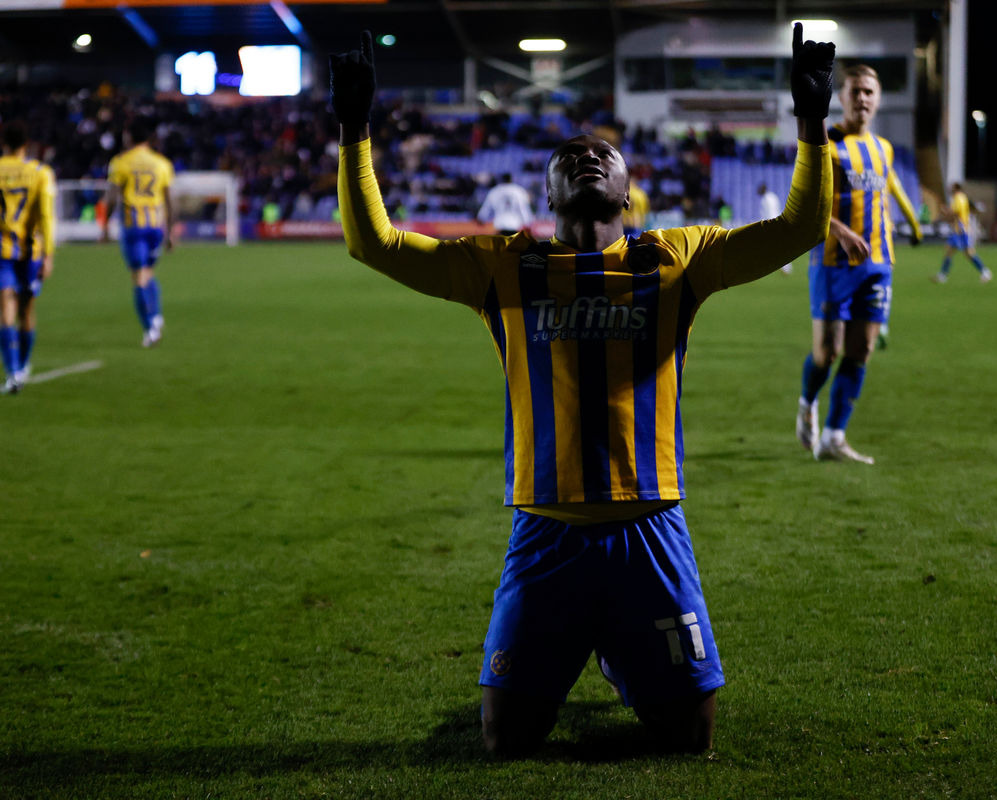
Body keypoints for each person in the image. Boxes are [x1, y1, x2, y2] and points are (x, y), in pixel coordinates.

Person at [330, 25, 835, 756]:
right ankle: (599, 642)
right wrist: (354, 132)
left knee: (690, 737)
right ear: (548, 192)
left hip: (650, 525)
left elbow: (799, 227)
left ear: (630, 191)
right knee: (507, 741)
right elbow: (372, 242)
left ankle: (615, 647)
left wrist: (811, 124)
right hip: (546, 530)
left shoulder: (677, 256)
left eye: (604, 154)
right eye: (571, 156)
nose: (589, 156)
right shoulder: (503, 266)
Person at [796, 63, 922, 465]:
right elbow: (803, 206)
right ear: (842, 96)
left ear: (878, 98)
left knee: (862, 348)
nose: (862, 98)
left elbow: (885, 198)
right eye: (855, 91)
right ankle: (807, 401)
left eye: (869, 91)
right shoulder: (824, 145)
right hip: (833, 262)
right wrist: (840, 231)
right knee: (827, 353)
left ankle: (834, 437)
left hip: (878, 264)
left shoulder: (884, 149)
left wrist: (909, 229)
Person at [101, 117, 175, 347]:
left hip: (134, 227)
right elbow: (170, 201)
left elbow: (111, 198)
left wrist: (104, 226)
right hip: (155, 226)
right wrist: (170, 232)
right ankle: (158, 315)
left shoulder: (121, 162)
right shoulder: (162, 163)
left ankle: (150, 327)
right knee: (149, 272)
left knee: (139, 276)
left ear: (129, 136)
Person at [0, 121, 56, 394]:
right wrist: (49, 254)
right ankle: (19, 368)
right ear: (26, 145)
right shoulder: (40, 173)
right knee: (26, 310)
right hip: (30, 251)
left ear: (4, 144)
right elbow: (46, 216)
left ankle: (13, 372)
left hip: (2, 250)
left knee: (5, 306)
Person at [931, 182, 992, 283]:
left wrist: (944, 211)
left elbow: (955, 213)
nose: (950, 189)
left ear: (956, 188)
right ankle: (943, 275)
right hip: (961, 228)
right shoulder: (963, 197)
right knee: (951, 251)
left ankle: (985, 271)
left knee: (966, 252)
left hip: (960, 229)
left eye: (951, 188)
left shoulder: (958, 198)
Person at [757, 183, 789, 274]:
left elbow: (768, 214)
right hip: (777, 223)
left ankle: (784, 268)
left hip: (771, 225)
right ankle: (784, 267)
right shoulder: (773, 197)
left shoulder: (766, 199)